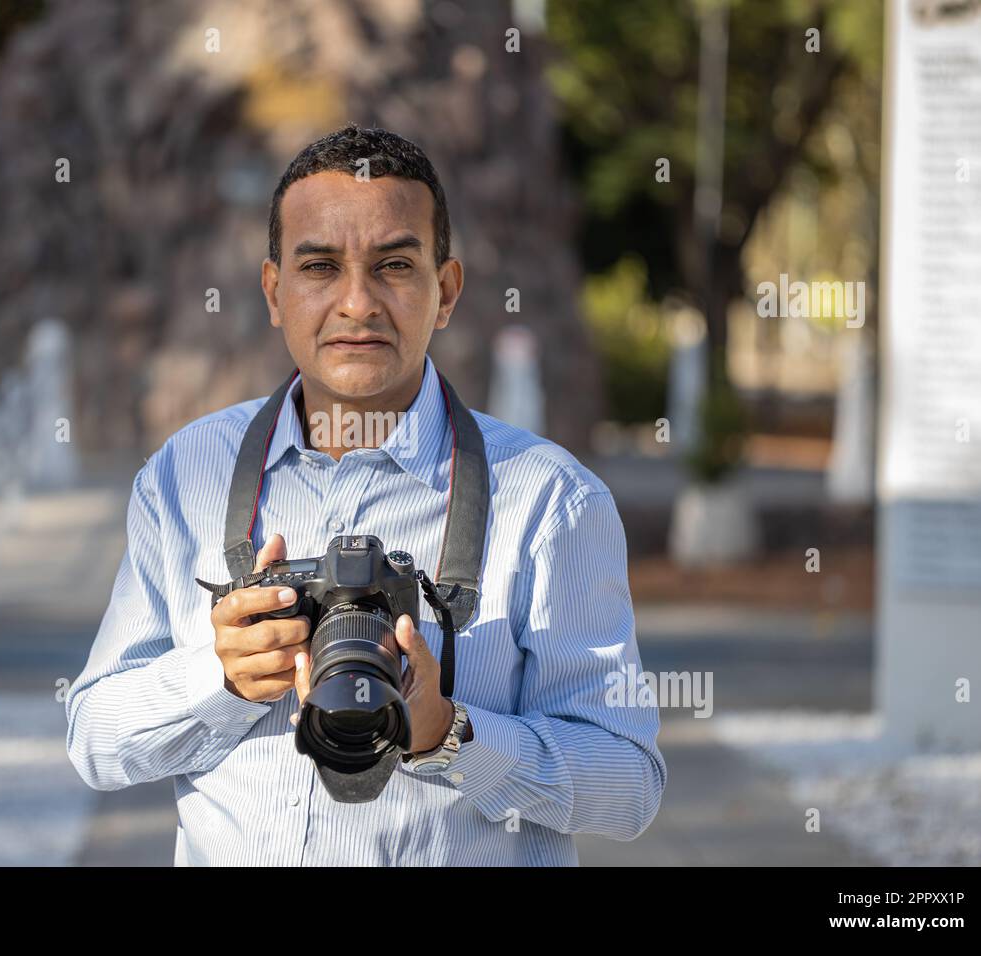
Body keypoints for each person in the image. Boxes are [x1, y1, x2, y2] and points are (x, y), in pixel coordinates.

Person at [66, 123, 666, 866]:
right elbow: (93, 737)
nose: (357, 303)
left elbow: (630, 785)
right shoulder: (185, 474)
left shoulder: (550, 501)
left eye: (393, 265)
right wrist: (220, 676)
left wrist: (448, 732)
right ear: (274, 290)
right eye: (319, 266)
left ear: (444, 292)